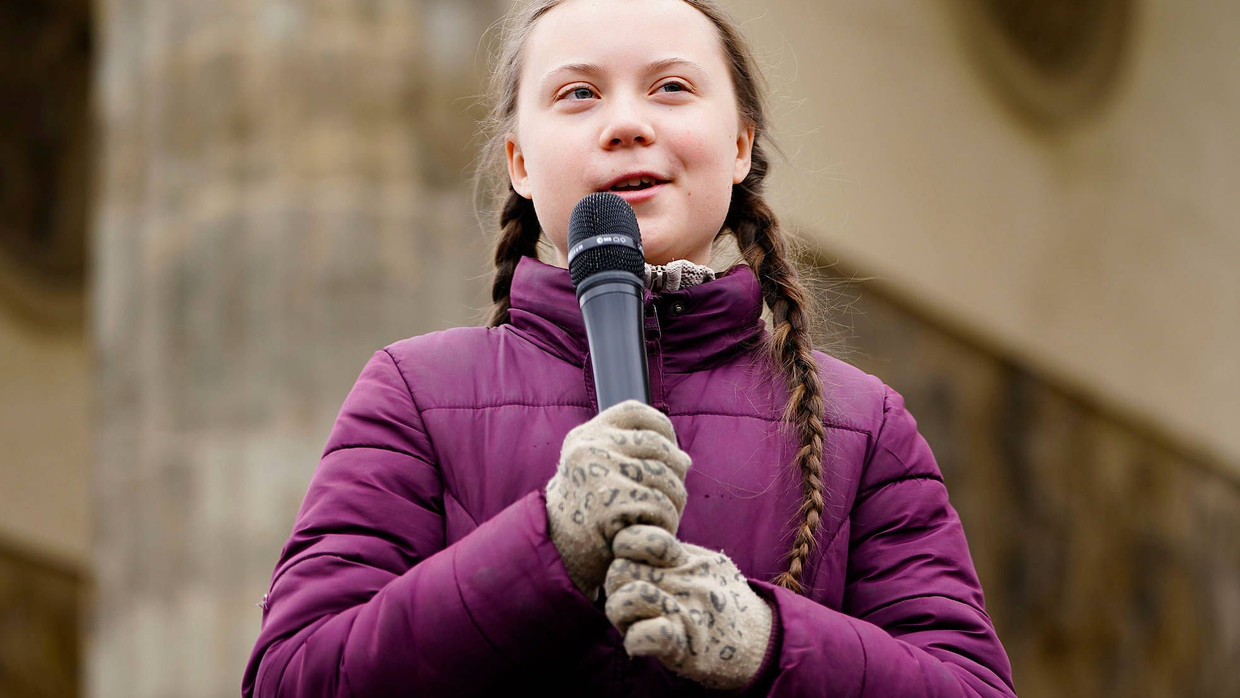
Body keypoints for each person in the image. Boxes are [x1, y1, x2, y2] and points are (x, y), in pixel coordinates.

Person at [242, 0, 1017, 695]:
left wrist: (768, 642)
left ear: (741, 144)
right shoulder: (415, 392)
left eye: (671, 88)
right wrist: (548, 542)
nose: (626, 122)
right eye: (578, 93)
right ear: (518, 162)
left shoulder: (865, 425)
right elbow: (292, 676)